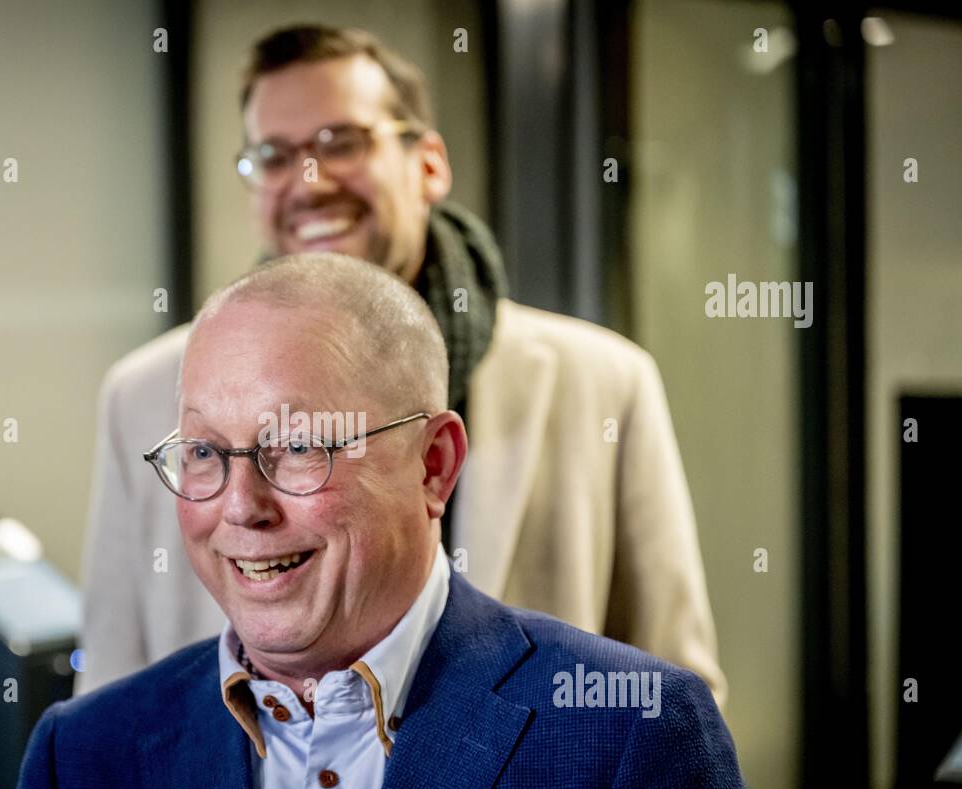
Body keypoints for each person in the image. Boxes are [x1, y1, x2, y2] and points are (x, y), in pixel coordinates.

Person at [0, 254, 763, 789]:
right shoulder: (83, 758)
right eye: (203, 452)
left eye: (296, 447)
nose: (240, 507)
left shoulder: (633, 736)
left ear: (433, 465)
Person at [77, 24, 727, 708]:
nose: (310, 181)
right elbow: (115, 701)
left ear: (429, 165)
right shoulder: (145, 397)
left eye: (343, 143)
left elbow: (674, 695)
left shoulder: (601, 385)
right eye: (273, 155)